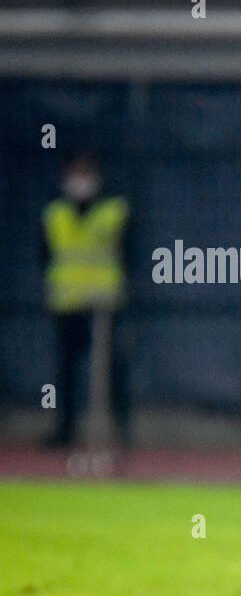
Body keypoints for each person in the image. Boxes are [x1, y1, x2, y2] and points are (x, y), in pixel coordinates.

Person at [40, 152, 133, 449]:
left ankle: (118, 432)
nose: (80, 182)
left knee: (112, 370)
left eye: (86, 174)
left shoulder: (114, 211)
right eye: (75, 174)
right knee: (67, 372)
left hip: (105, 306)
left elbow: (130, 254)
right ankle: (65, 430)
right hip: (67, 304)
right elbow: (44, 257)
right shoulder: (55, 214)